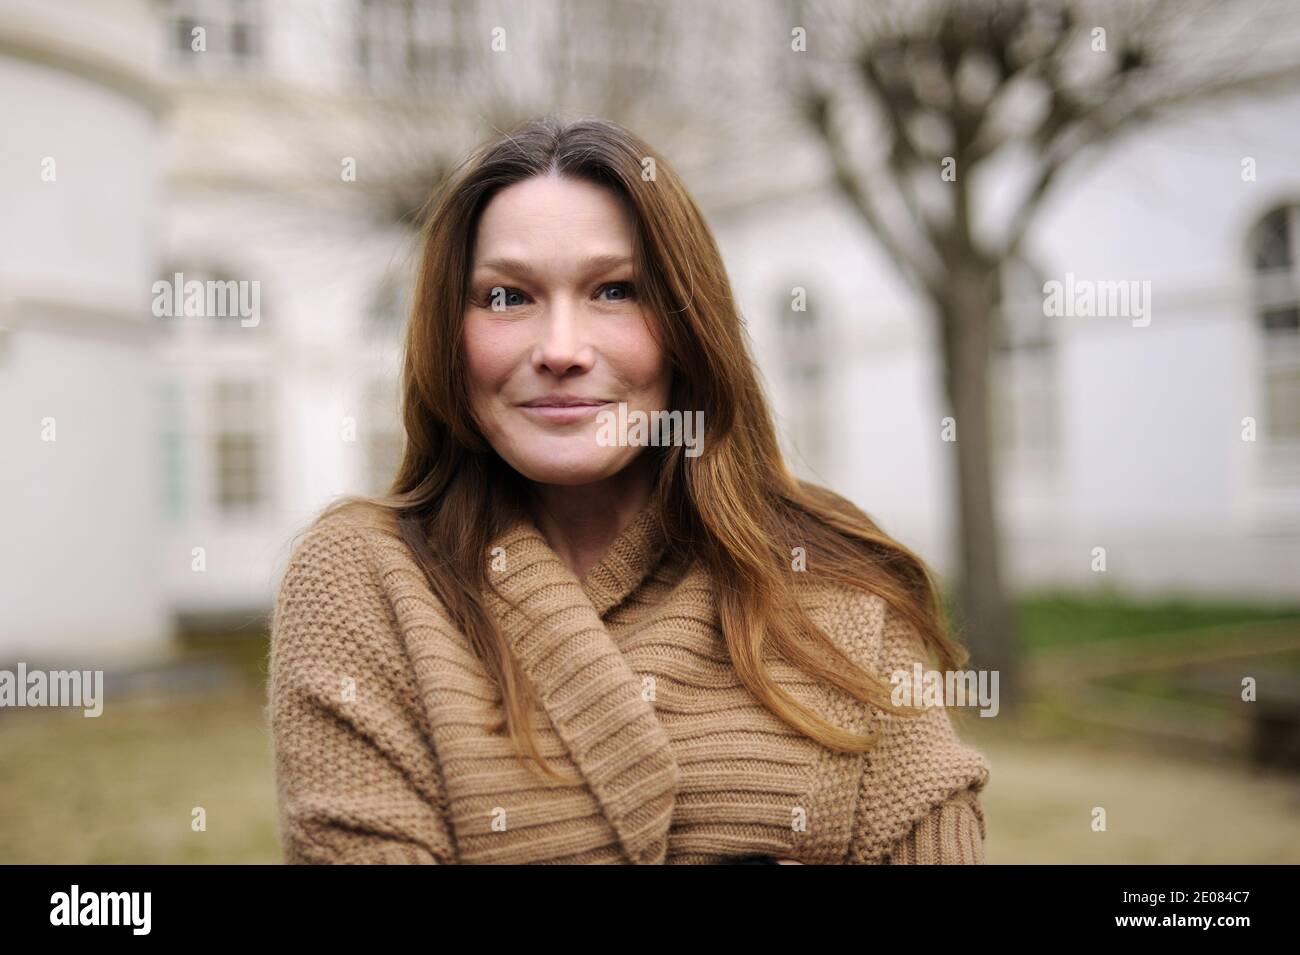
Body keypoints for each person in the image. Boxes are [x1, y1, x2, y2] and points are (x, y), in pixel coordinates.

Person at [267, 115, 990, 864]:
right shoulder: (364, 580)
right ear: (449, 335)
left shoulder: (838, 584)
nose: (561, 350)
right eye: (507, 297)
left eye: (614, 290)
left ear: (687, 324)